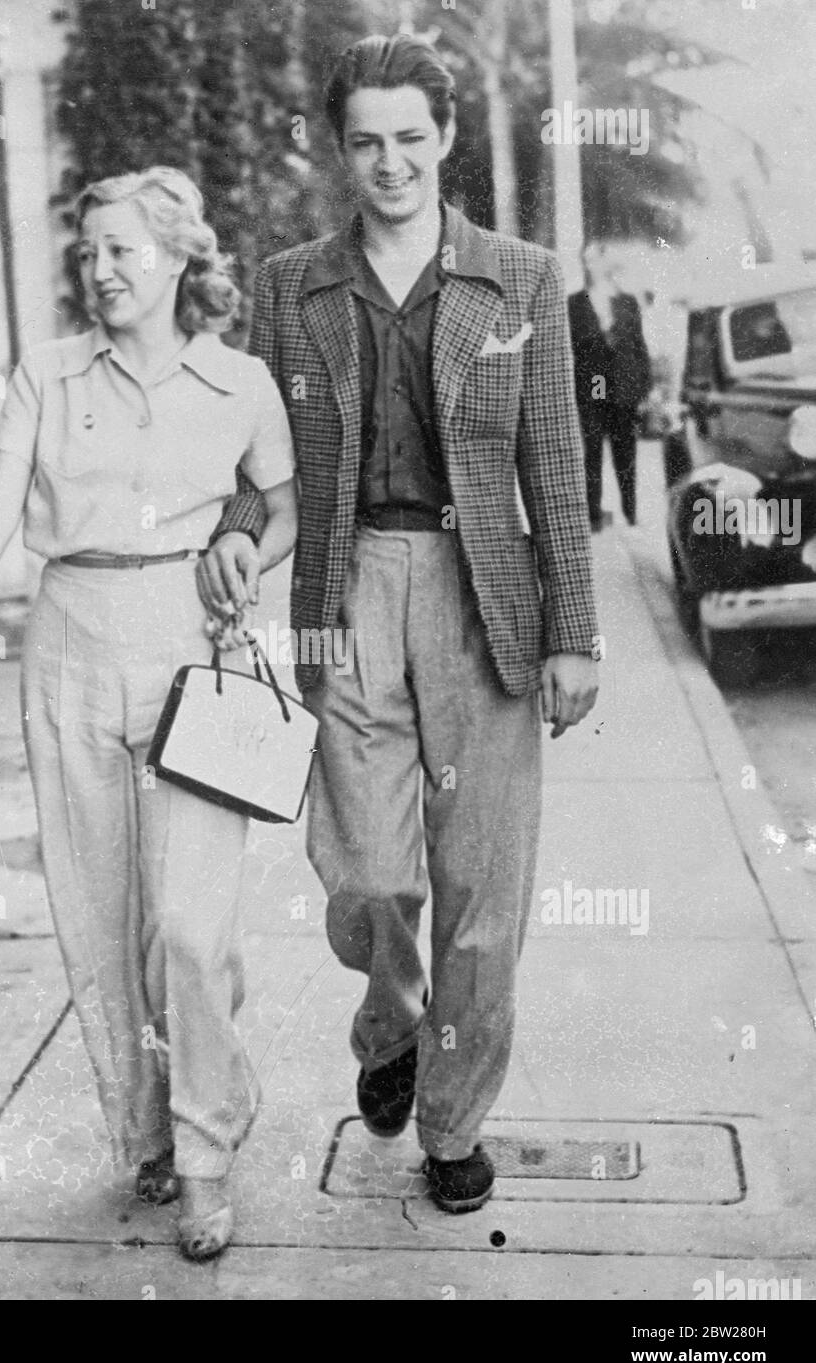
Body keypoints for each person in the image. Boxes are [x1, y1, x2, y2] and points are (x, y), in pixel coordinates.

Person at [203, 34, 599, 1216]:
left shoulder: (517, 279)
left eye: (409, 139)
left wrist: (573, 632)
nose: (389, 163)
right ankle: (386, 1019)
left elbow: (555, 465)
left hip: (486, 594)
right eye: (365, 141)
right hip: (342, 588)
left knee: (482, 895)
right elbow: (259, 461)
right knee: (366, 873)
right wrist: (234, 530)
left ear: (445, 141)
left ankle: (451, 1118)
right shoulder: (290, 286)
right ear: (338, 147)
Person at [0, 168, 297, 1261]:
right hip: (71, 637)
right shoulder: (46, 372)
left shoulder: (239, 382)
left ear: (180, 256)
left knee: (189, 923)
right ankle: (145, 1130)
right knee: (96, 911)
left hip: (195, 642)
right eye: (88, 252)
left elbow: (285, 505)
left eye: (122, 249)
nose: (101, 270)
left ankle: (205, 1151)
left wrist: (243, 546)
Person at [567, 241, 652, 530]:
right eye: (587, 260)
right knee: (591, 452)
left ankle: (630, 511)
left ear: (607, 263)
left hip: (623, 389)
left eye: (598, 259)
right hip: (592, 387)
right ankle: (593, 515)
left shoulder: (627, 302)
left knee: (625, 452)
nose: (593, 265)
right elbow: (570, 350)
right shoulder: (575, 304)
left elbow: (639, 346)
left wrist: (644, 389)